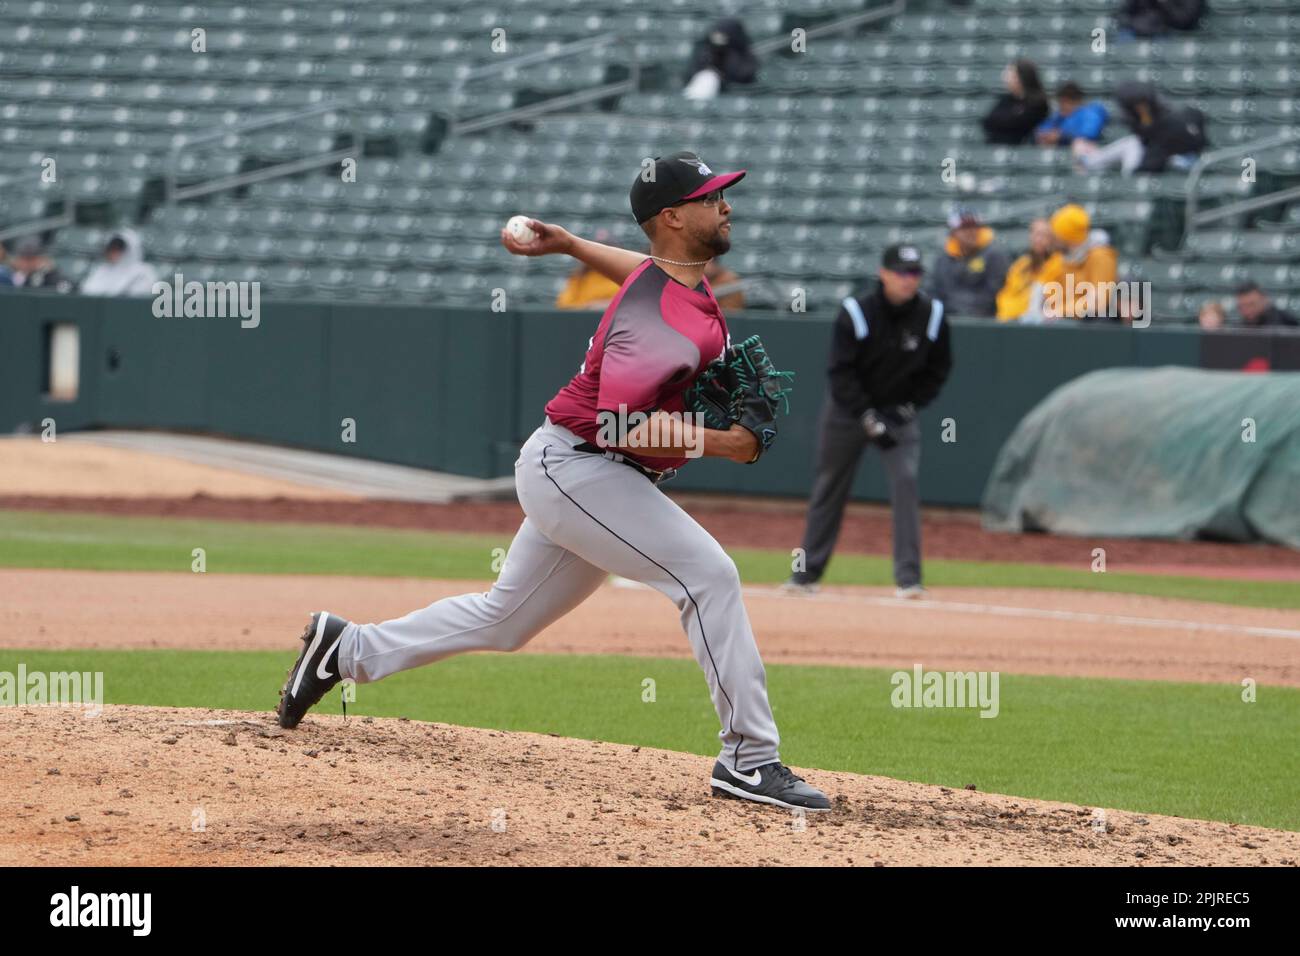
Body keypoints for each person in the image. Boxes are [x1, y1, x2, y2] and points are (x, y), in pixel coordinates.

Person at [277, 151, 831, 813]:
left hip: (584, 472)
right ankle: (748, 759)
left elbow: (644, 268)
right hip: (580, 468)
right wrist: (729, 444)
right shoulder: (652, 316)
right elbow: (621, 425)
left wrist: (571, 245)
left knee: (505, 620)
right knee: (709, 576)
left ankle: (346, 649)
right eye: (712, 197)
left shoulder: (679, 277)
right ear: (674, 217)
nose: (726, 205)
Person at [784, 244, 953, 599]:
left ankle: (909, 580)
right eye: (903, 272)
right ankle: (805, 575)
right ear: (884, 273)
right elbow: (839, 372)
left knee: (906, 482)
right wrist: (865, 415)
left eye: (915, 273)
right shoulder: (856, 312)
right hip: (848, 412)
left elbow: (938, 370)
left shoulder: (932, 314)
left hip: (897, 413)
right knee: (830, 486)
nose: (910, 280)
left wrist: (909, 407)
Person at [1075, 81, 1206, 175]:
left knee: (1132, 144)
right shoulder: (1141, 119)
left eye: (1141, 104)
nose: (1140, 108)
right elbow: (1147, 139)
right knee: (1132, 143)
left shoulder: (1169, 119)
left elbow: (1159, 145)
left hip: (1172, 158)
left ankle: (1092, 161)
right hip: (1154, 158)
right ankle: (1091, 161)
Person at [925, 207, 1009, 319]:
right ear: (953, 232)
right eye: (965, 228)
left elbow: (993, 294)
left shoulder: (994, 256)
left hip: (984, 320)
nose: (971, 232)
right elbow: (935, 292)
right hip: (948, 319)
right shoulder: (943, 260)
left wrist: (957, 307)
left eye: (975, 227)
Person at [1043, 204, 1119, 320]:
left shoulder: (1100, 256)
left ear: (1067, 238)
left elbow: (1098, 302)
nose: (1052, 240)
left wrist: (1059, 311)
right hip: (1056, 322)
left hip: (1084, 326)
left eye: (1056, 236)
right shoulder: (1060, 257)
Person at [996, 218, 1063, 322]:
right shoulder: (1021, 264)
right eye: (1036, 234)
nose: (1038, 239)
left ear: (1052, 239)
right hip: (1010, 319)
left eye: (1044, 235)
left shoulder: (1059, 263)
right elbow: (1007, 294)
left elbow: (1045, 299)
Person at [683, 18, 758, 101]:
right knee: (708, 78)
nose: (718, 37)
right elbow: (693, 70)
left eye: (721, 35)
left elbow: (743, 76)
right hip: (707, 81)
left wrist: (722, 77)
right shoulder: (704, 50)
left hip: (730, 91)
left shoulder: (741, 55)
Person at [981, 60, 1050, 146]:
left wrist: (1008, 120)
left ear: (1020, 77)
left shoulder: (1037, 102)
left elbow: (1022, 124)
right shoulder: (1006, 99)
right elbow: (988, 121)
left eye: (1010, 74)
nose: (1005, 78)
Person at [78, 228, 158, 297]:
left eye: (120, 248)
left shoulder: (144, 272)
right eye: (112, 247)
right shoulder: (101, 270)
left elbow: (137, 300)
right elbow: (87, 293)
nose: (114, 252)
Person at [555, 230, 621, 309]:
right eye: (597, 248)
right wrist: (588, 307)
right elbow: (564, 305)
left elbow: (631, 304)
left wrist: (603, 305)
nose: (602, 253)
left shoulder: (623, 276)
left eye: (607, 248)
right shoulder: (579, 278)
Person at [1034, 83, 1108, 147]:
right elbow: (1042, 130)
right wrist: (1045, 136)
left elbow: (1089, 135)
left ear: (1077, 101)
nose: (1062, 106)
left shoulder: (1090, 113)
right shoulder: (1059, 117)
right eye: (1061, 103)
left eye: (1065, 102)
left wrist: (1061, 137)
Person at [8, 237, 72, 293]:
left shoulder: (51, 277)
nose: (25, 264)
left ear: (42, 259)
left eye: (30, 259)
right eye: (22, 258)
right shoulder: (11, 275)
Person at [1119, 0, 1204, 38]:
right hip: (1137, 32)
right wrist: (1134, 24)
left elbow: (1185, 20)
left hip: (1170, 35)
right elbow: (1125, 13)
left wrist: (1165, 2)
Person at [1235, 282, 1299, 328]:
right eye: (1241, 307)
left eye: (1252, 305)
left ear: (1264, 300)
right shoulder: (1241, 327)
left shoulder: (1285, 323)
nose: (1247, 311)